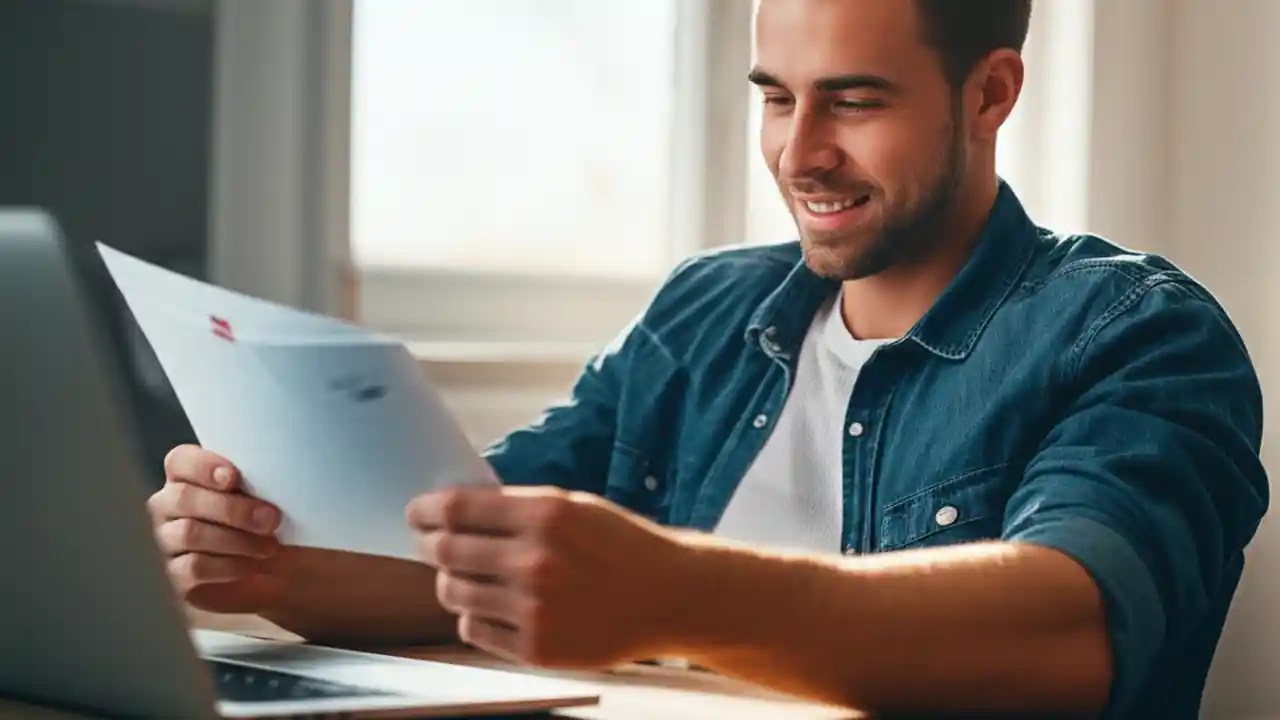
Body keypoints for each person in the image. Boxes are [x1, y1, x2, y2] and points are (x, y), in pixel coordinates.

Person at [145, 0, 1268, 717]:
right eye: (775, 97)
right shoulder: (707, 308)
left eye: (853, 100)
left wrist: (669, 596)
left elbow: (1071, 633)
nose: (797, 151)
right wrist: (276, 567)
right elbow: (486, 553)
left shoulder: (1135, 332)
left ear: (990, 93)